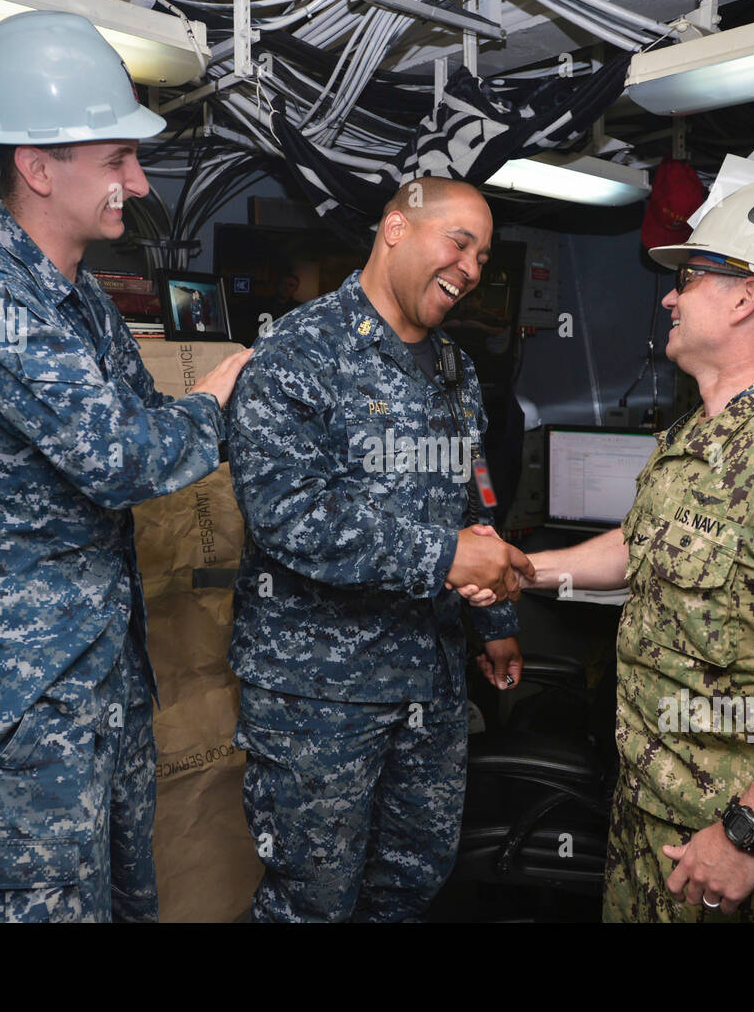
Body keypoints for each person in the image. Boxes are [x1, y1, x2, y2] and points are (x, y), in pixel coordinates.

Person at [461, 178, 754, 922]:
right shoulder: (694, 438)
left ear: (746, 297)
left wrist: (748, 831)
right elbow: (640, 547)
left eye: (688, 279)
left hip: (734, 838)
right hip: (651, 809)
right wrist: (525, 570)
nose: (670, 299)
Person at [0, 10, 250, 923]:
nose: (138, 179)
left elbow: (144, 423)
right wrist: (220, 397)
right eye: (116, 157)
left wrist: (215, 409)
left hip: (98, 681)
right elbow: (123, 456)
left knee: (122, 906)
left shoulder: (76, 299)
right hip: (20, 695)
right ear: (37, 166)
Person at [227, 176, 533, 922]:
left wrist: (494, 625)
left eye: (484, 258)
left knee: (410, 885)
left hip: (428, 678)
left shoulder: (457, 371)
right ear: (395, 229)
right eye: (459, 243)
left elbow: (471, 499)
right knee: (314, 900)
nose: (471, 269)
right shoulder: (299, 352)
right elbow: (287, 516)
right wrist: (445, 558)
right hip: (319, 696)